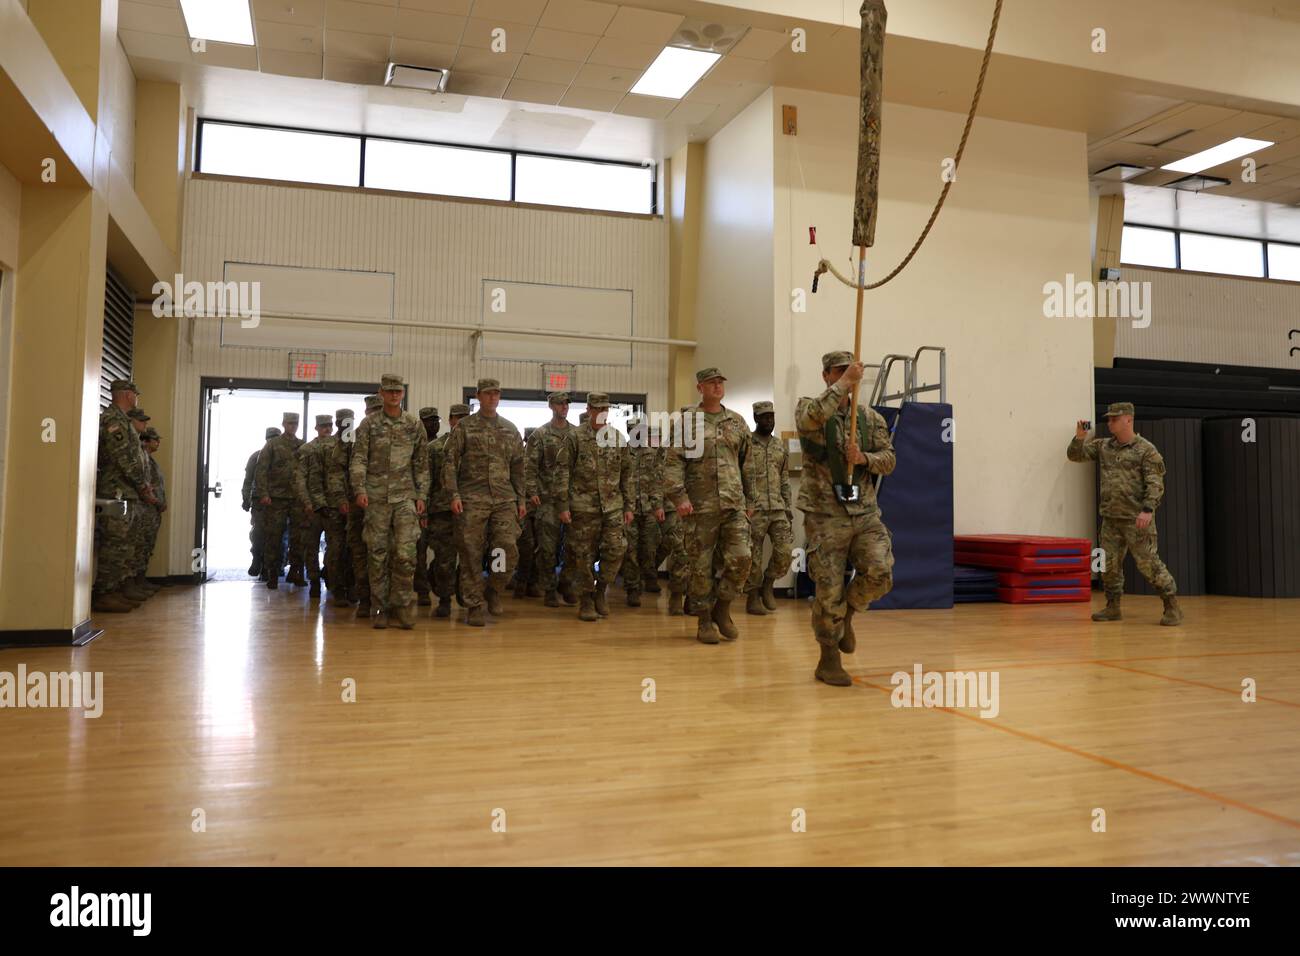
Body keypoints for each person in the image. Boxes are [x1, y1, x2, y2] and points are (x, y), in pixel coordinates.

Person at [795, 351, 896, 686]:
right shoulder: (809, 408)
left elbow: (889, 460)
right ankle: (828, 659)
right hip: (826, 515)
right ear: (826, 376)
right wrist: (843, 384)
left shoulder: (870, 418)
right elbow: (812, 418)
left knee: (880, 571)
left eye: (851, 373)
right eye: (839, 373)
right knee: (828, 588)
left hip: (865, 512)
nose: (848, 379)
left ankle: (849, 615)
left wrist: (864, 457)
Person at [1067, 402, 1182, 626]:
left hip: (1136, 519)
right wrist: (1080, 437)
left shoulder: (1146, 450)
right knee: (1108, 565)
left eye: (1114, 419)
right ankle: (1113, 606)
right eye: (1108, 419)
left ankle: (1171, 605)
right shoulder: (1104, 446)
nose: (1109, 422)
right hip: (1110, 518)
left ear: (1128, 420)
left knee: (1148, 564)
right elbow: (1075, 456)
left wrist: (1148, 510)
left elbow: (1155, 483)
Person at [664, 369, 755, 644]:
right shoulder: (686, 423)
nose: (717, 386)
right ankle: (704, 620)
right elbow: (673, 463)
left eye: (720, 382)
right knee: (700, 567)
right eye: (711, 383)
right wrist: (679, 498)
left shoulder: (737, 422)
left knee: (742, 559)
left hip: (733, 504)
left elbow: (747, 465)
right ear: (699, 387)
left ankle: (722, 609)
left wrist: (751, 500)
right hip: (698, 507)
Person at [443, 378, 526, 627]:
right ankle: (474, 605)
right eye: (488, 393)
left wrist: (520, 499)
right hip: (472, 499)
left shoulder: (510, 429)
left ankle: (494, 588)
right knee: (470, 554)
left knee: (505, 549)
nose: (492, 397)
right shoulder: (465, 428)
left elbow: (518, 467)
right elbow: (449, 463)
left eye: (496, 393)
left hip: (503, 500)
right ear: (478, 396)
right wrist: (453, 495)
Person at [350, 374, 429, 629]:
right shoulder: (368, 425)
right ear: (381, 393)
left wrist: (421, 496)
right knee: (377, 555)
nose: (394, 395)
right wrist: (359, 488)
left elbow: (421, 464)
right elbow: (359, 459)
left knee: (406, 555)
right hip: (375, 498)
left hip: (405, 497)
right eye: (389, 391)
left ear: (402, 394)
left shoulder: (413, 425)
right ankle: (379, 607)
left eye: (398, 391)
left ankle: (403, 606)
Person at [558, 392, 633, 622]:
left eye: (605, 409)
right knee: (583, 555)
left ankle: (601, 590)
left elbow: (627, 474)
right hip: (583, 507)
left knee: (616, 549)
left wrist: (629, 505)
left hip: (612, 506)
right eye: (597, 408)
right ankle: (587, 599)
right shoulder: (575, 437)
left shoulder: (618, 438)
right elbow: (562, 472)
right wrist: (563, 504)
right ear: (589, 409)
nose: (601, 412)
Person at [92, 380, 154, 613]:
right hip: (116, 490)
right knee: (115, 543)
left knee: (125, 543)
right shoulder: (114, 419)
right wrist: (143, 485)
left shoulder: (122, 420)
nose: (136, 398)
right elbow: (123, 458)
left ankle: (117, 588)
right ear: (128, 395)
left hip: (126, 491)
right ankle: (105, 593)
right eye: (135, 395)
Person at [328, 395, 382, 615]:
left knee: (382, 553)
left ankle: (381, 600)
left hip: (385, 505)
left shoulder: (395, 434)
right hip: (357, 506)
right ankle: (363, 597)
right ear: (367, 412)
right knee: (357, 552)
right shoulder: (352, 437)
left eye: (380, 409)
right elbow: (337, 471)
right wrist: (341, 498)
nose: (376, 414)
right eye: (373, 410)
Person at [525, 391, 577, 607]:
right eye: (559, 403)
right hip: (547, 500)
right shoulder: (540, 435)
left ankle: (566, 583)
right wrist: (532, 491)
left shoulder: (576, 434)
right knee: (547, 549)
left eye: (566, 403)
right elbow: (529, 467)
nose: (564, 407)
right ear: (551, 406)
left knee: (575, 547)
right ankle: (548, 588)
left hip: (573, 499)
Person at [743, 401, 794, 615]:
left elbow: (784, 478)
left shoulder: (779, 446)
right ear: (756, 419)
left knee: (785, 552)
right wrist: (744, 505)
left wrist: (788, 506)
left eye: (771, 417)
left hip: (778, 508)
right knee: (753, 556)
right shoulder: (745, 444)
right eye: (764, 417)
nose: (769, 421)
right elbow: (738, 477)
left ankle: (768, 584)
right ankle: (753, 597)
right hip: (754, 509)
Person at [425, 404, 468, 618]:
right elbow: (426, 482)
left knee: (471, 557)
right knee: (444, 559)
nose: (460, 422)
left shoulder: (477, 447)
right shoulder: (435, 448)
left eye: (465, 418)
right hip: (442, 510)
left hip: (471, 511)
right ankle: (444, 599)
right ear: (450, 420)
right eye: (457, 418)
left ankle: (465, 594)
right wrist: (424, 512)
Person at [255, 412, 304, 590]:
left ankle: (296, 571)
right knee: (274, 537)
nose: (292, 426)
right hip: (276, 499)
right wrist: (264, 493)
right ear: (284, 424)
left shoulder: (302, 445)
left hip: (297, 499)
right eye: (290, 423)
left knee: (298, 538)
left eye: (295, 423)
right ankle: (272, 573)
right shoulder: (272, 445)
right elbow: (261, 470)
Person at [622, 416, 665, 607]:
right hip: (629, 509)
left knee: (650, 547)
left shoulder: (653, 453)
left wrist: (658, 506)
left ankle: (650, 576)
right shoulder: (622, 453)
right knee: (630, 549)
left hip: (648, 509)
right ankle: (632, 588)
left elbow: (657, 482)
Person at [660, 406, 697, 616]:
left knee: (700, 555)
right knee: (681, 552)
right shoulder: (671, 448)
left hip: (703, 506)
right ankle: (676, 594)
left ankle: (693, 597)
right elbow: (667, 476)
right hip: (677, 506)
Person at [296, 414, 336, 599]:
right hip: (311, 508)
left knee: (334, 547)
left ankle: (329, 575)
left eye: (329, 425)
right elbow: (300, 478)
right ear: (316, 428)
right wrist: (307, 503)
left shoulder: (338, 447)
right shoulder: (307, 449)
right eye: (323, 426)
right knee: (310, 547)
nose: (326, 429)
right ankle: (313, 581)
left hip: (332, 506)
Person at [124, 409, 160, 602]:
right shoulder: (135, 449)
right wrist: (149, 495)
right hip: (138, 503)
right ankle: (123, 586)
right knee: (131, 546)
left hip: (145, 505)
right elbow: (139, 477)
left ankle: (137, 581)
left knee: (142, 546)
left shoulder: (145, 457)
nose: (157, 443)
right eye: (141, 421)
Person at [243, 427, 280, 579]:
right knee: (258, 533)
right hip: (259, 501)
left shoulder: (283, 457)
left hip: (279, 501)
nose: (272, 441)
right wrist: (246, 498)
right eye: (270, 438)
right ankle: (257, 559)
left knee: (278, 535)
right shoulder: (256, 457)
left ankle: (272, 566)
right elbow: (248, 480)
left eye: (275, 438)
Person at [133, 427, 167, 594]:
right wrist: (155, 500)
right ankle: (134, 583)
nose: (158, 442)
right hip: (146, 508)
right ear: (145, 441)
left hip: (153, 509)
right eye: (155, 439)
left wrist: (161, 502)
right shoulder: (141, 458)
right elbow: (145, 485)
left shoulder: (150, 460)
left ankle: (141, 580)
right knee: (139, 546)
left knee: (146, 547)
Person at [414, 407, 441, 606]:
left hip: (440, 507)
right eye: (429, 421)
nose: (433, 424)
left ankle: (436, 581)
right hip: (420, 506)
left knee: (442, 551)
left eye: (436, 421)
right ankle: (422, 590)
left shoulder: (445, 445)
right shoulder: (414, 445)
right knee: (419, 551)